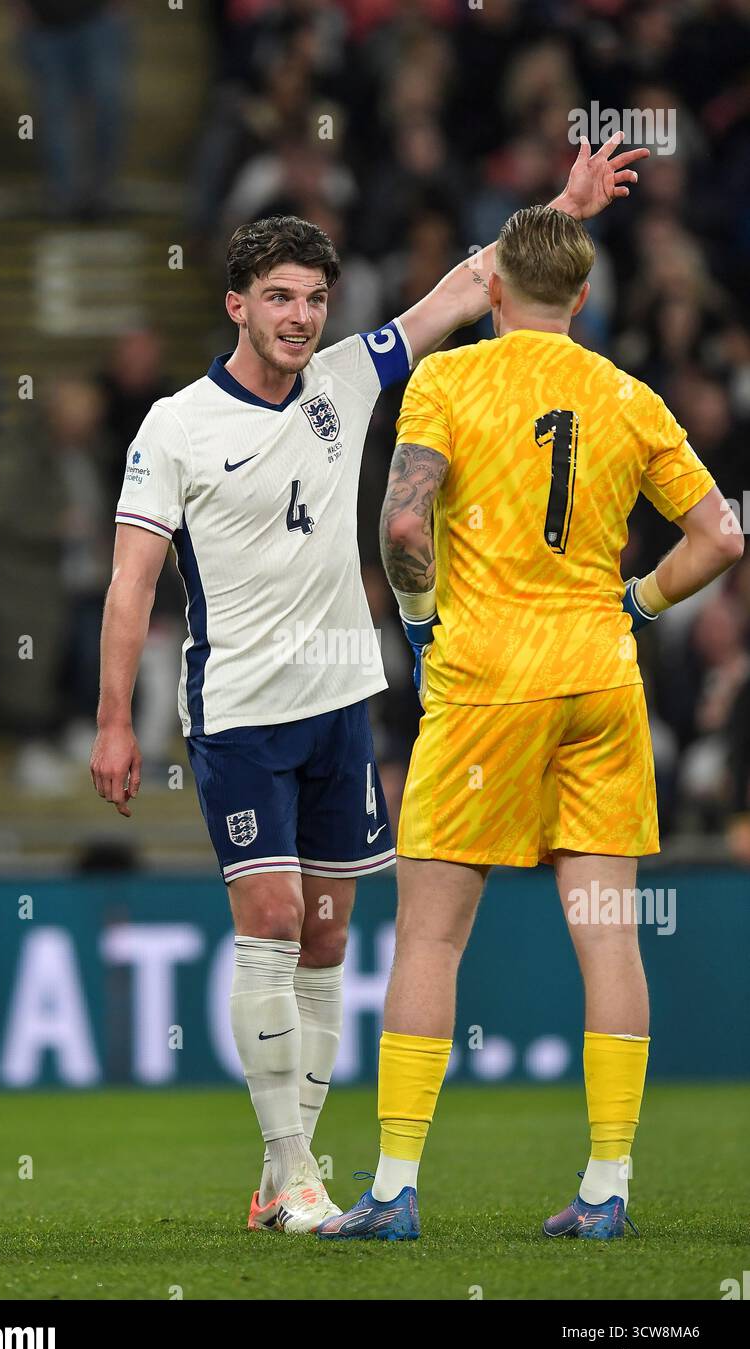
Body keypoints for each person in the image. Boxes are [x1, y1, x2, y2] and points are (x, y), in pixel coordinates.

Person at [90, 135, 649, 1235]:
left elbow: (472, 285)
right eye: (281, 298)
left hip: (344, 696)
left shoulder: (347, 380)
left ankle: (284, 1171)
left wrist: (565, 208)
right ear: (237, 306)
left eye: (315, 299)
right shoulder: (176, 428)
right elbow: (129, 582)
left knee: (332, 936)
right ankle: (297, 1169)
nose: (301, 317)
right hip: (239, 709)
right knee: (275, 912)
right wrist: (115, 719)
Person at [318, 203, 744, 1243]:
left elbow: (406, 518)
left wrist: (419, 624)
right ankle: (607, 1186)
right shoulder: (627, 393)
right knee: (608, 939)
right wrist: (638, 604)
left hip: (482, 685)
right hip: (599, 684)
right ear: (584, 301)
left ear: (495, 291)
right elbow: (724, 537)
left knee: (427, 935)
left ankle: (396, 1187)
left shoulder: (450, 379)